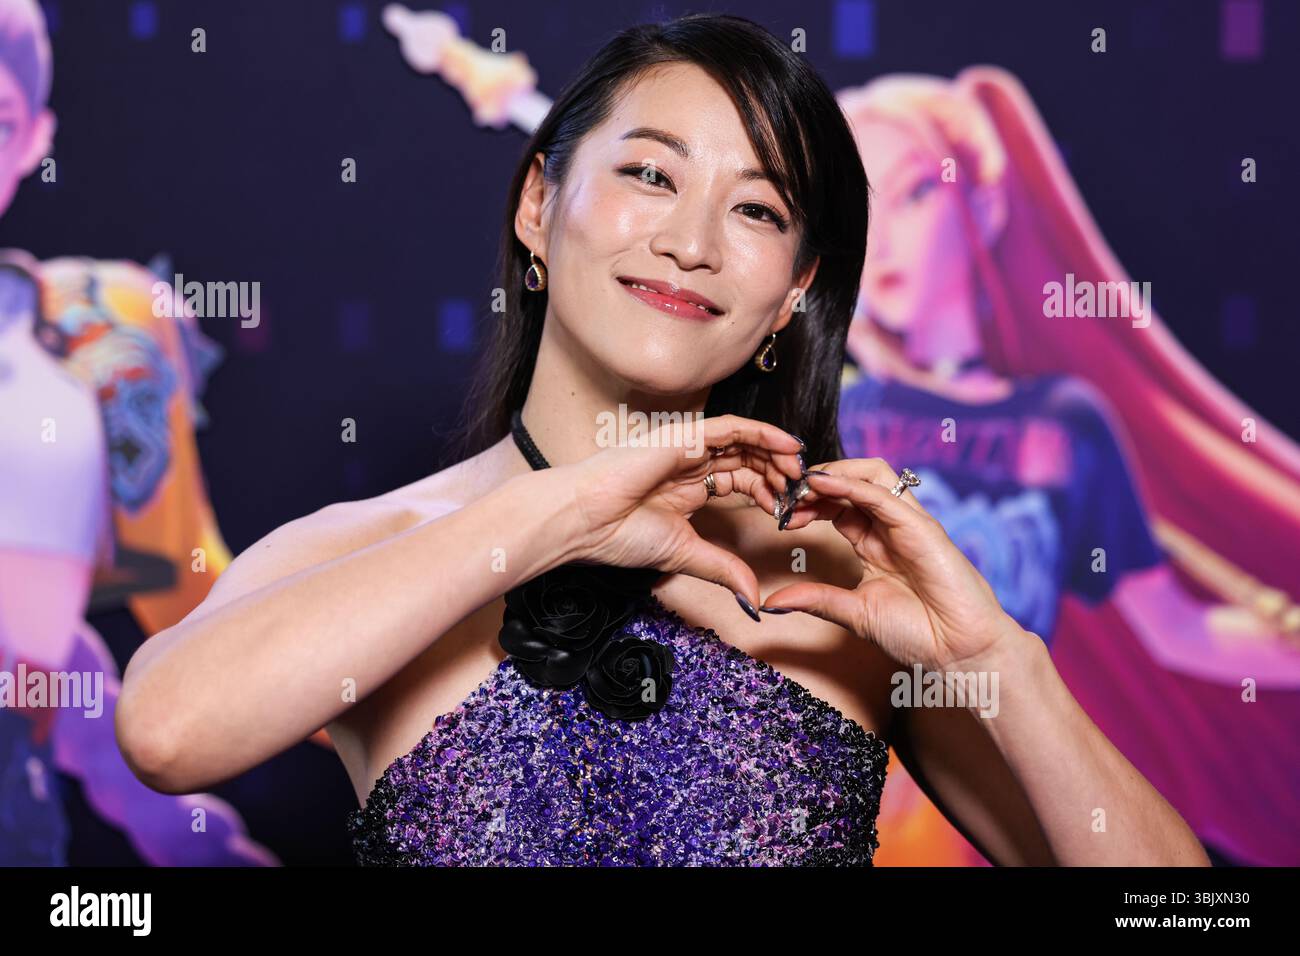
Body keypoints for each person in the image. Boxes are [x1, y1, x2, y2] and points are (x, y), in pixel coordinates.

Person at [117, 14, 1209, 866]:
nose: (690, 243)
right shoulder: (386, 543)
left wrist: (999, 664)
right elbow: (167, 732)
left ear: (793, 293)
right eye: (650, 174)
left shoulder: (834, 589)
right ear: (540, 204)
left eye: (757, 211)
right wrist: (556, 515)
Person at [834, 67, 1300, 866]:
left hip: (997, 791)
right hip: (833, 784)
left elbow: (1172, 626)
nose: (883, 245)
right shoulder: (837, 409)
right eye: (855, 212)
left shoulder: (1062, 427)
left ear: (981, 201)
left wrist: (1278, 645)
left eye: (911, 197)